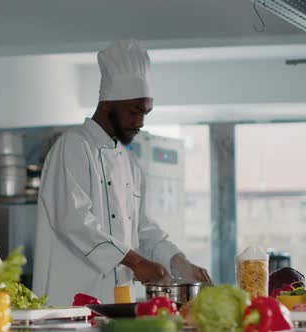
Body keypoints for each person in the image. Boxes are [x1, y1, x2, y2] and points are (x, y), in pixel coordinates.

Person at [32, 39, 211, 305]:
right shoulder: (73, 146)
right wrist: (136, 262)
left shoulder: (130, 163)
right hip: (68, 304)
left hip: (116, 304)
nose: (140, 122)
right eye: (133, 111)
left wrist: (179, 263)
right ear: (107, 105)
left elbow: (143, 228)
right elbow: (73, 220)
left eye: (145, 112)